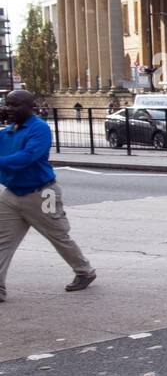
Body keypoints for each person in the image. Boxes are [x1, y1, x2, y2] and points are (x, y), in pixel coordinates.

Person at [0, 89, 96, 302]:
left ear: (30, 107)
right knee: (3, 241)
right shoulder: (6, 132)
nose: (9, 108)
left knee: (58, 235)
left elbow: (26, 158)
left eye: (15, 105)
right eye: (7, 104)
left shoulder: (39, 129)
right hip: (11, 194)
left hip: (43, 193)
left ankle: (84, 271)